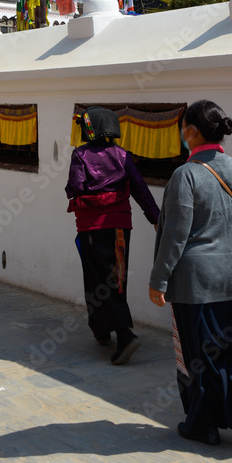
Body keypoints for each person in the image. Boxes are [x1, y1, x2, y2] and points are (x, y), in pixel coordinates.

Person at [150, 100, 232, 446]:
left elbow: (175, 234)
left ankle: (203, 424)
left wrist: (159, 280)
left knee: (201, 356)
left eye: (183, 127)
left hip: (197, 283)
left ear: (191, 132)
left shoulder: (186, 175)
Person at [65, 107, 160, 365]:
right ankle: (101, 330)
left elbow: (75, 187)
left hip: (92, 228)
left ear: (90, 129)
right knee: (116, 279)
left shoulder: (80, 155)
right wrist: (155, 218)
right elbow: (140, 188)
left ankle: (125, 334)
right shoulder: (122, 155)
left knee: (97, 280)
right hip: (120, 228)